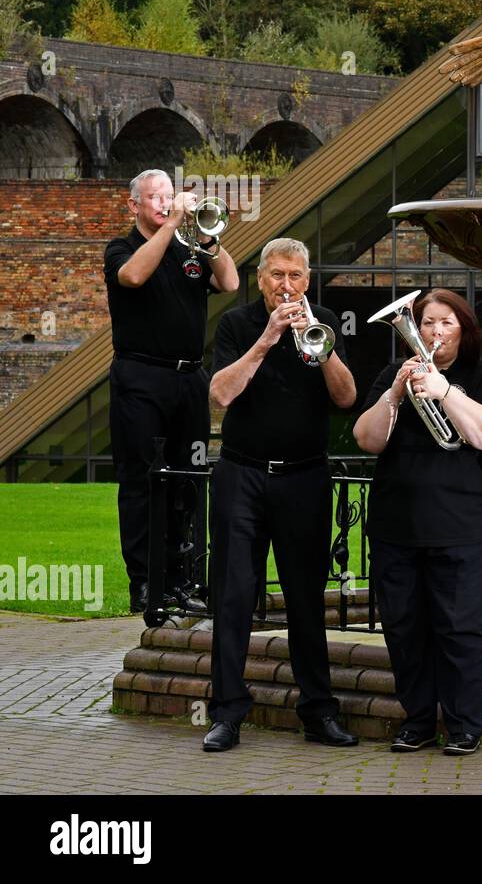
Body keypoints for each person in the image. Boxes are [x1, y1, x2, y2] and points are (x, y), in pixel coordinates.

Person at [200, 238, 357, 753]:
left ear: (307, 281)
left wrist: (321, 347)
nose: (285, 286)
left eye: (294, 276)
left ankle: (318, 712)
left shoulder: (325, 320)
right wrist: (268, 339)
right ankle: (226, 714)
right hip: (242, 476)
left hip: (304, 478)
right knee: (233, 597)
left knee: (306, 600)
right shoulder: (238, 325)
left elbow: (347, 398)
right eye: (276, 276)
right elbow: (220, 394)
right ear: (260, 279)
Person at [353, 289, 482, 757]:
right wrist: (395, 393)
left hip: (468, 528)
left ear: (463, 330)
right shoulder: (393, 374)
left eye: (446, 323)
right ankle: (418, 720)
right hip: (397, 526)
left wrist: (444, 391)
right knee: (405, 628)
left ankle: (464, 725)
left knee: (461, 628)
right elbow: (367, 439)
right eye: (426, 323)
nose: (435, 333)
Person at [104, 169, 238, 614]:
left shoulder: (188, 252)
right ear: (134, 205)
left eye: (169, 197)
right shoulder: (122, 249)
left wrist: (208, 238)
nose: (165, 203)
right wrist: (170, 228)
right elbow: (135, 277)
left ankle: (183, 579)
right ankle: (145, 582)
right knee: (143, 480)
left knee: (188, 480)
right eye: (156, 198)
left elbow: (230, 283)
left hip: (188, 380)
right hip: (141, 377)